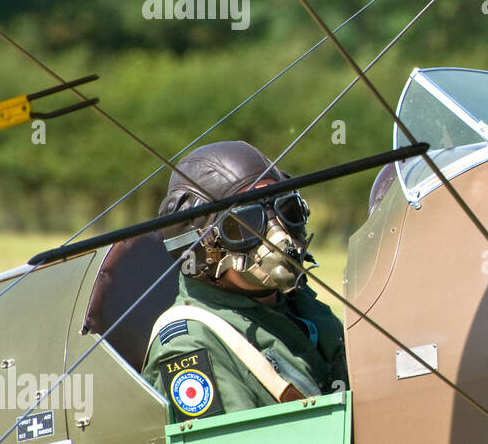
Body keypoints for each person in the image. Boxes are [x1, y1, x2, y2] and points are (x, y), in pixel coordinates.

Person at [141, 141, 348, 421]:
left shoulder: (299, 305)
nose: (279, 234)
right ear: (204, 249)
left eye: (288, 212)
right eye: (246, 224)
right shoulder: (191, 346)